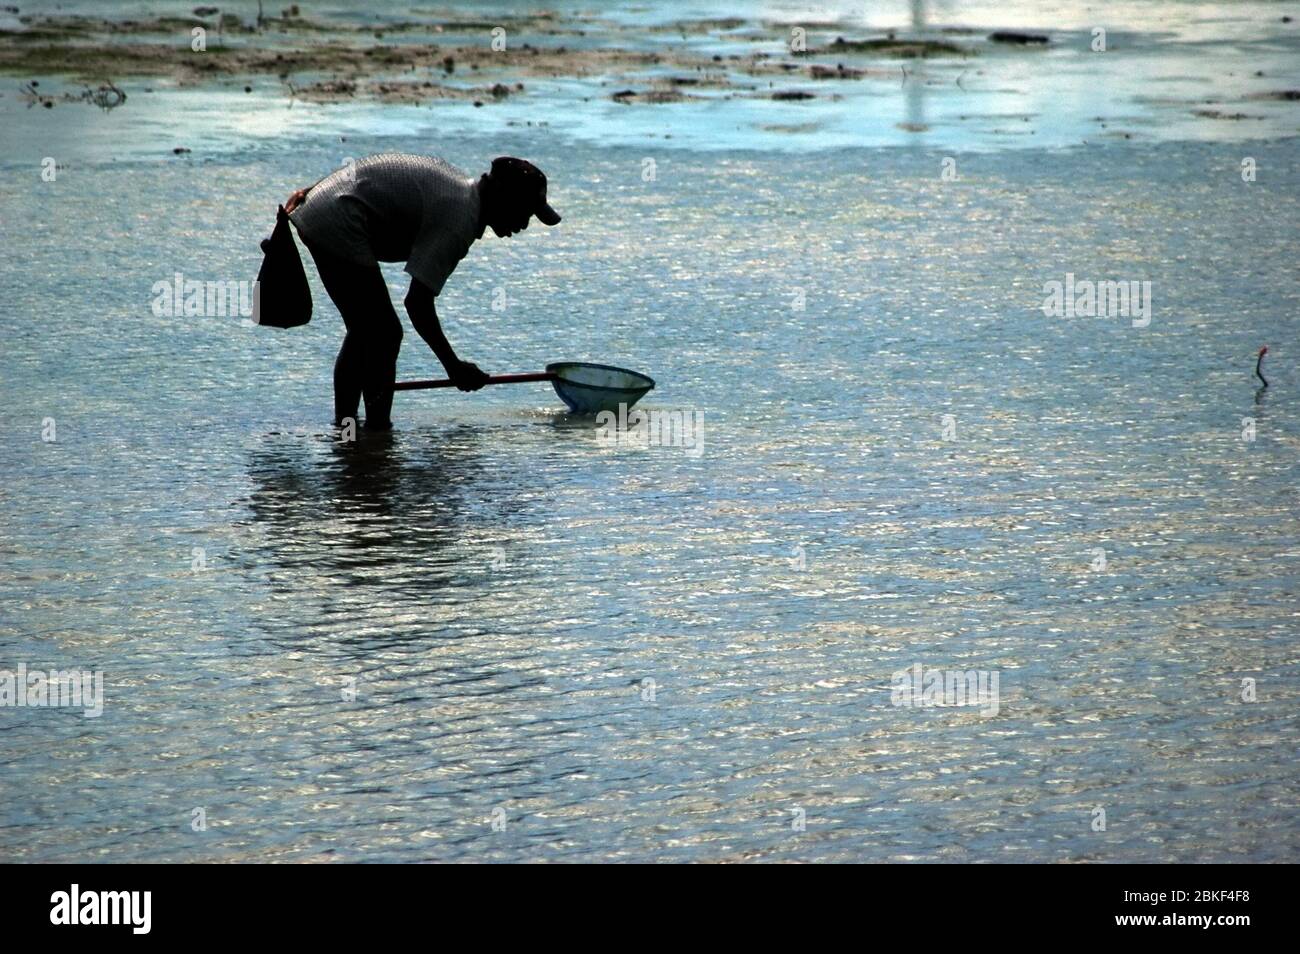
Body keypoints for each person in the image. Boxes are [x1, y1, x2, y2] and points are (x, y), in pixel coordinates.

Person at [283, 154, 561, 430]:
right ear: (504, 199)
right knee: (383, 332)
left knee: (367, 330)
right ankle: (375, 434)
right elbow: (417, 303)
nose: (524, 225)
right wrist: (453, 366)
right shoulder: (459, 217)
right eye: (525, 212)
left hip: (327, 207)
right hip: (338, 216)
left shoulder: (461, 197)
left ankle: (349, 432)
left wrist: (315, 190)